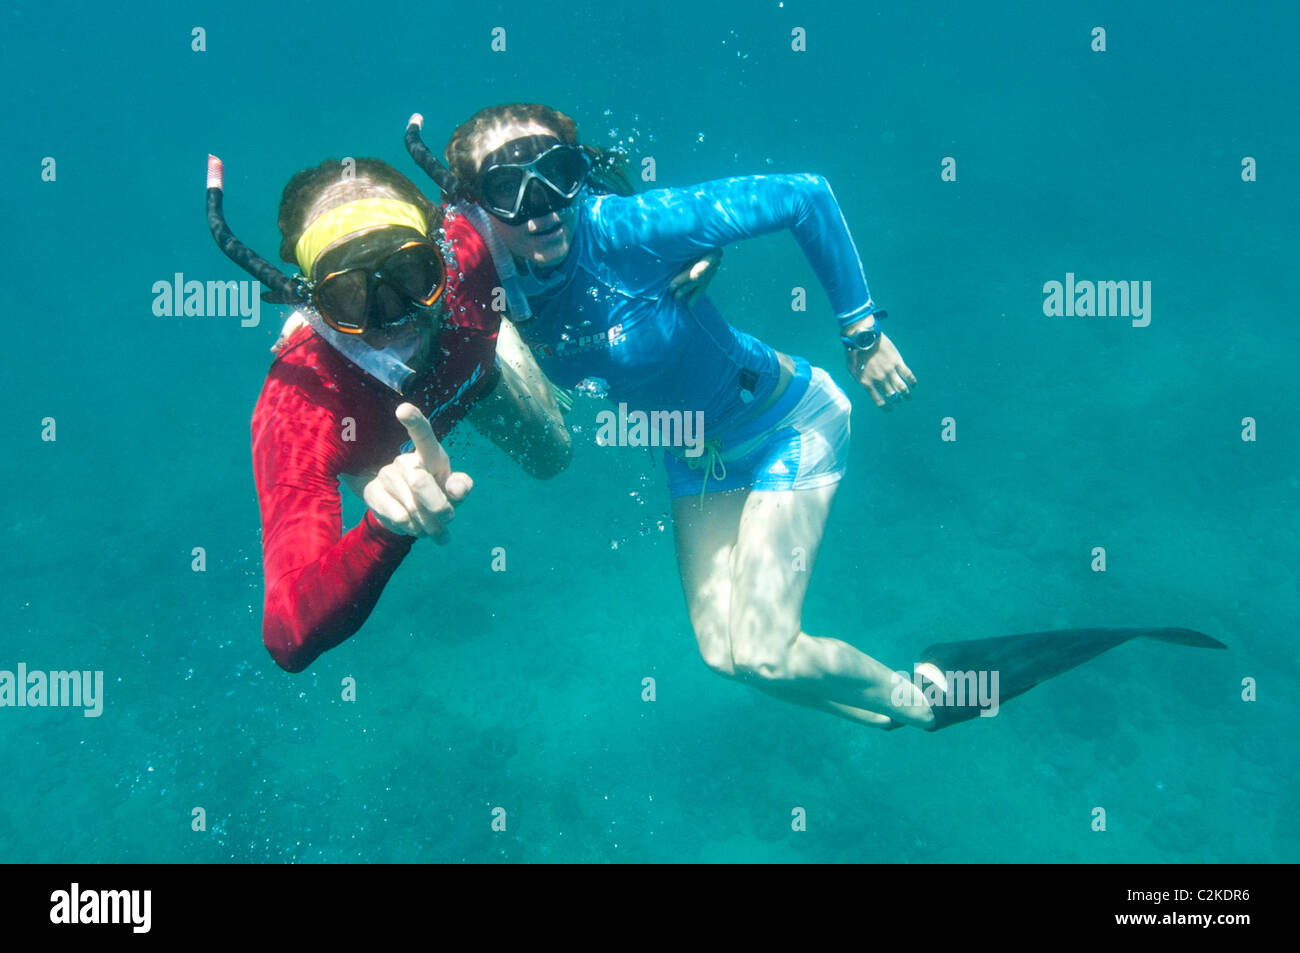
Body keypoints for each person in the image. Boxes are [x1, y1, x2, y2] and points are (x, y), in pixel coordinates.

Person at [399, 106, 1226, 730]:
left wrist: (863, 334)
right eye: (513, 190)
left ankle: (925, 700)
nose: (544, 207)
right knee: (725, 657)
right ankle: (905, 708)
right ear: (473, 206)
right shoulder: (472, 279)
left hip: (784, 422)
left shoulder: (625, 228)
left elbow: (805, 195)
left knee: (763, 646)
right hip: (698, 456)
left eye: (562, 175)